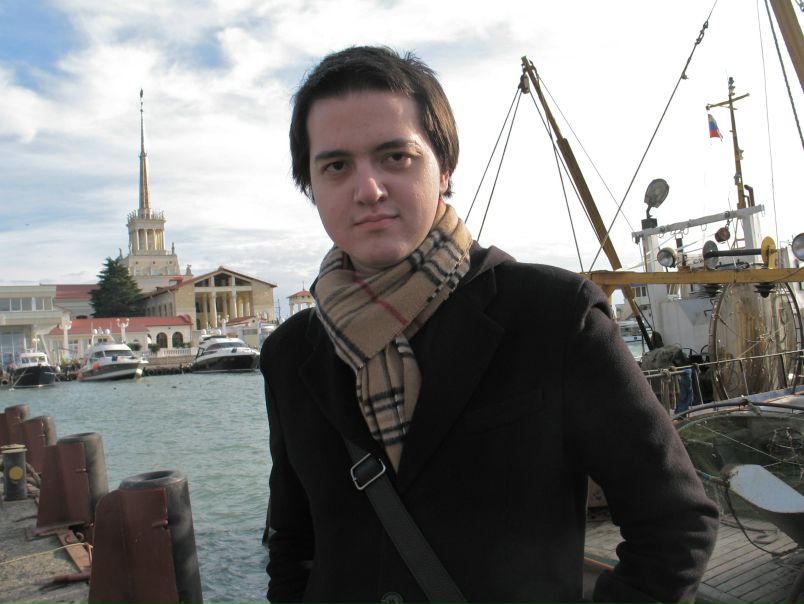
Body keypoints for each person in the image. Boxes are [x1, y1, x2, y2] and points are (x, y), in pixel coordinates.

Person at [261, 45, 718, 604]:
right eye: (336, 166)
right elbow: (293, 543)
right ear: (311, 186)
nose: (369, 190)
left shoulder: (554, 316)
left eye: (396, 157)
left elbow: (675, 522)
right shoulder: (291, 354)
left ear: (444, 169)